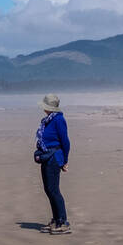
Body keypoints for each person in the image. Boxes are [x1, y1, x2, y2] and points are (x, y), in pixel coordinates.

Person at [34, 94, 71, 234]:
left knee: (53, 190)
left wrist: (65, 160)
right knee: (49, 189)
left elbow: (65, 142)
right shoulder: (47, 120)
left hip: (55, 157)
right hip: (46, 156)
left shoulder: (59, 120)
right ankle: (56, 220)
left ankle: (63, 222)